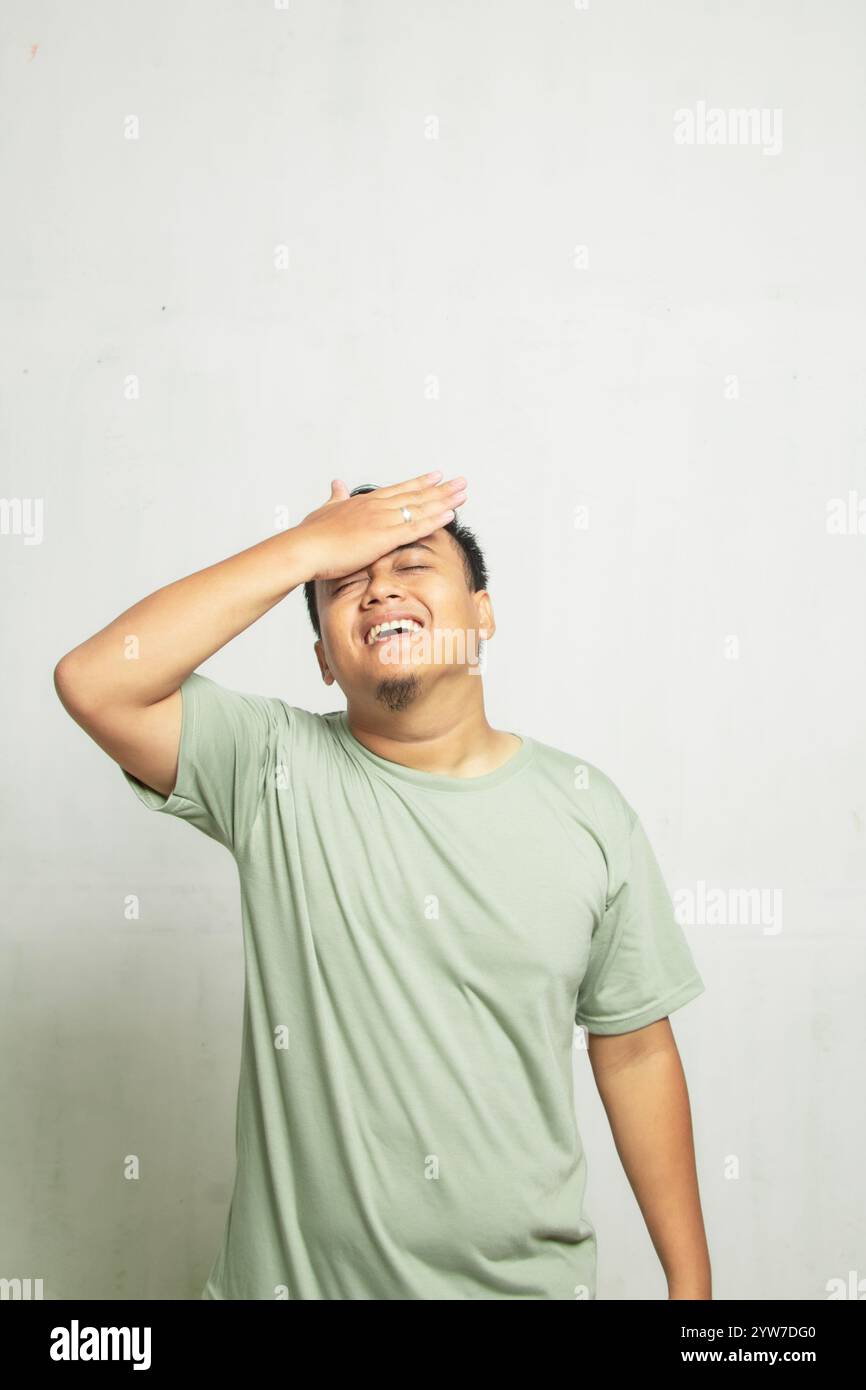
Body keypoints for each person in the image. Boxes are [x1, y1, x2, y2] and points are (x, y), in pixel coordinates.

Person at [53, 471, 710, 1300]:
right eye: (347, 580)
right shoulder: (269, 765)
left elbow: (636, 1049)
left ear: (483, 613)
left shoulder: (588, 811)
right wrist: (304, 549)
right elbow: (96, 679)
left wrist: (693, 1293)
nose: (377, 589)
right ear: (324, 662)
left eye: (409, 564)